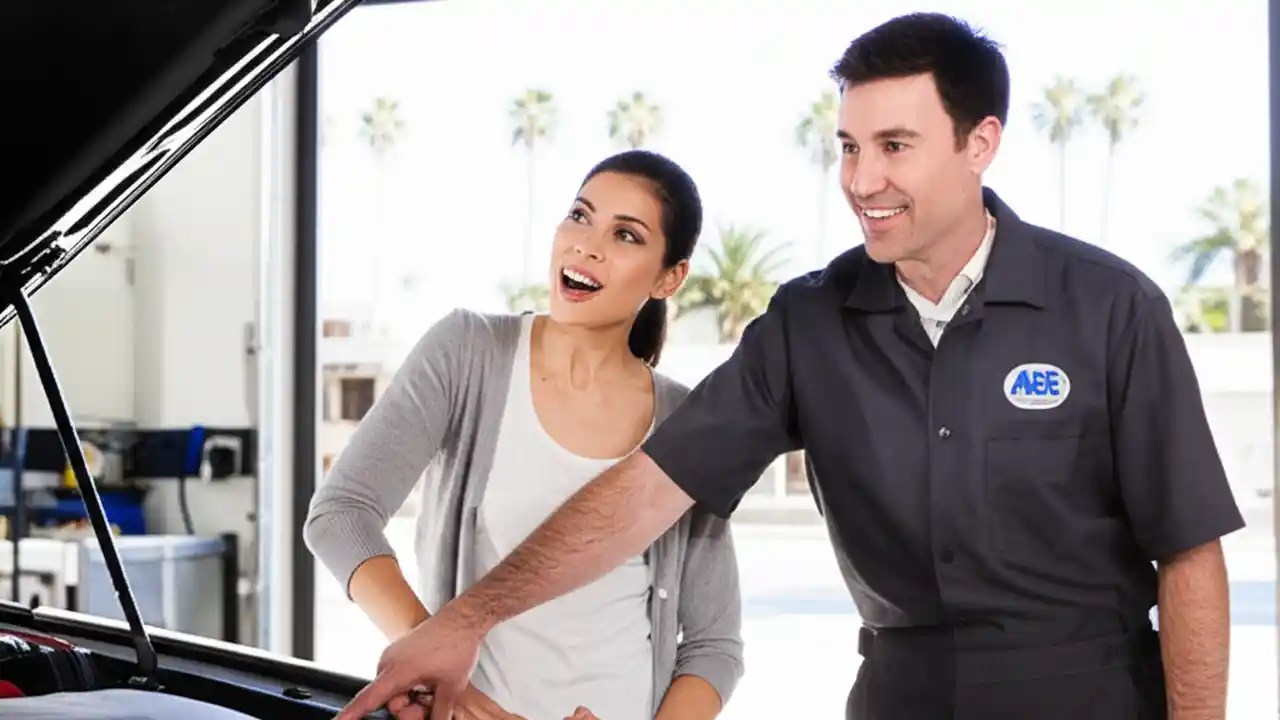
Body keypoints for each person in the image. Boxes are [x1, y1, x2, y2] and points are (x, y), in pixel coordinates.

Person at [335, 13, 1245, 720]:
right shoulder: (808, 323)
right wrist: (461, 622)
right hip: (900, 693)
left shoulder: (1110, 307)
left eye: (895, 146)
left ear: (981, 143)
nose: (861, 179)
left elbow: (1189, 554)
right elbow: (647, 491)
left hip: (1086, 695)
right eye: (848, 147)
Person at [306, 149, 744, 720]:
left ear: (670, 277)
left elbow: (714, 647)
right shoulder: (466, 353)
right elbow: (341, 515)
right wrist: (434, 658)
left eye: (626, 236)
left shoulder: (686, 422)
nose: (586, 245)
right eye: (580, 216)